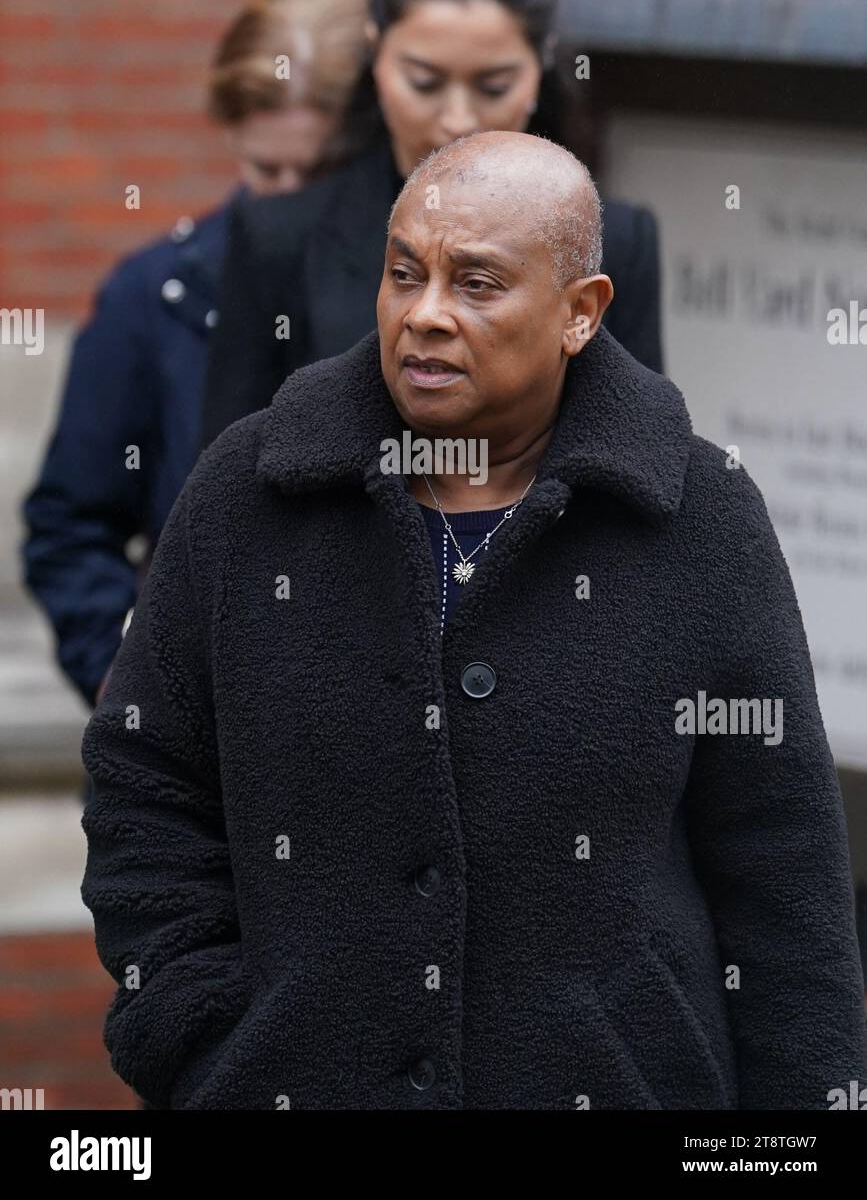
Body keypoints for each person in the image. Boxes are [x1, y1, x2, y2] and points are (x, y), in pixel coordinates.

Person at [81, 131, 866, 1110]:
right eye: (404, 272)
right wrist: (206, 1038)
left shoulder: (698, 516)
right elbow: (146, 779)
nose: (425, 315)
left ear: (580, 313)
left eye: (478, 283)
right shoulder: (251, 491)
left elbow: (782, 870)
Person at [21, 0, 367, 711]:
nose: (287, 196)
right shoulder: (151, 296)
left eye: (318, 173)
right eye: (264, 169)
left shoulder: (405, 297)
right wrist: (127, 682)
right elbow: (70, 523)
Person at [200, 0, 663, 450]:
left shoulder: (618, 242)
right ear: (377, 59)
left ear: (539, 68)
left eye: (493, 86)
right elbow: (228, 482)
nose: (458, 119)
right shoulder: (278, 238)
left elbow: (635, 463)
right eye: (425, 82)